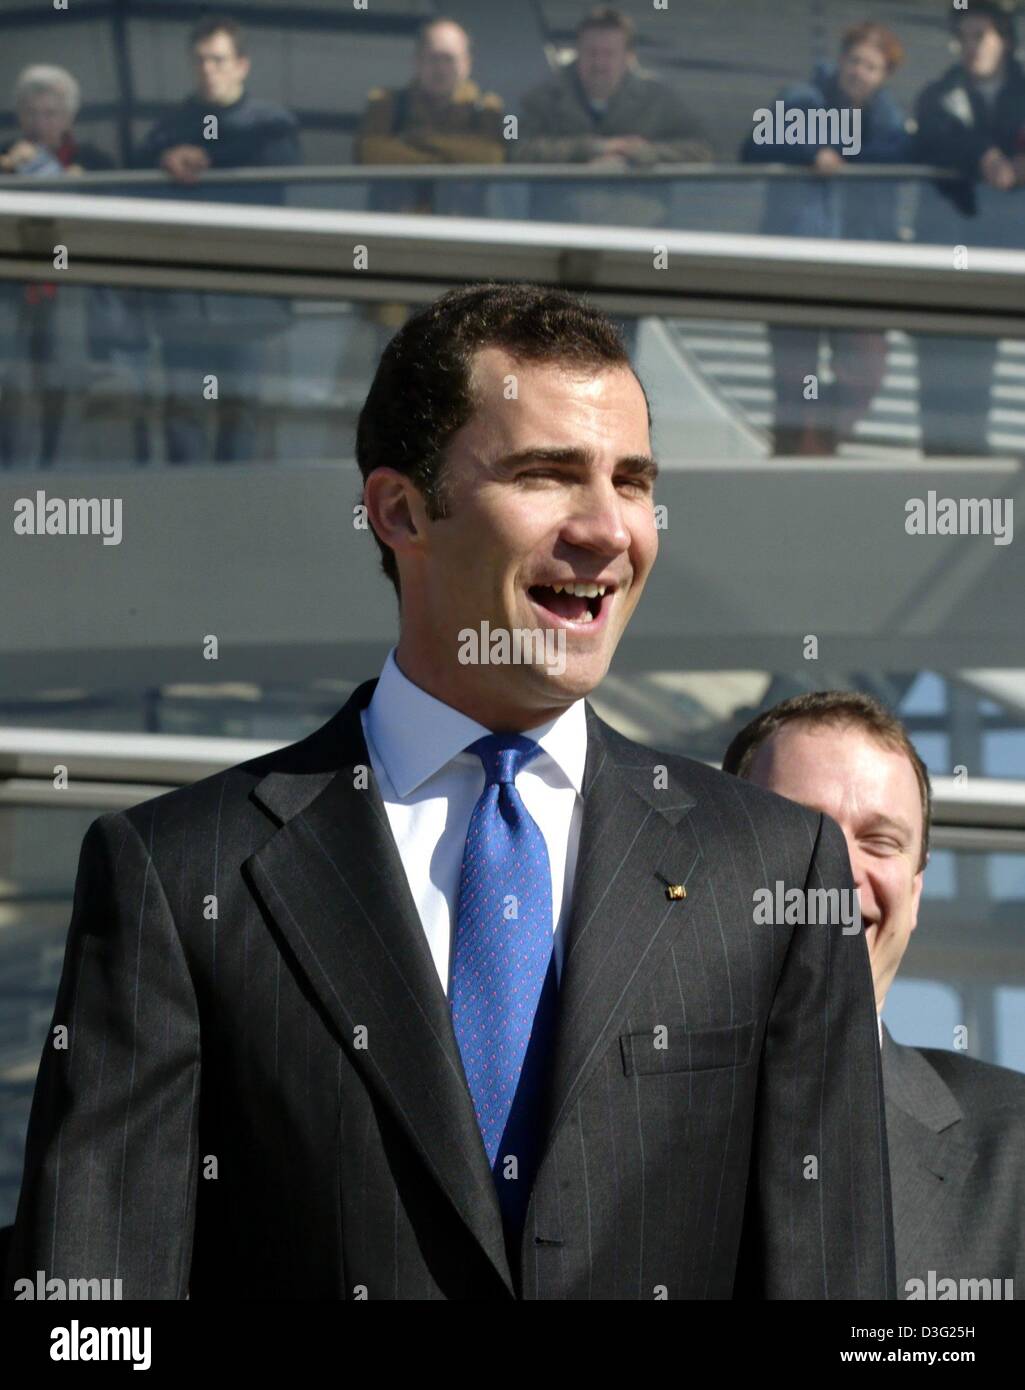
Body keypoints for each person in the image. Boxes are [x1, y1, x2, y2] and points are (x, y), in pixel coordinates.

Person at [6, 284, 894, 1300]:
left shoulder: (771, 869)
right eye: (547, 475)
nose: (609, 529)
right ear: (398, 509)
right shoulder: (177, 874)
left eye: (632, 481)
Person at [722, 690, 1025, 1298]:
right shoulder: (604, 1116)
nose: (838, 872)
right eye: (801, 828)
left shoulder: (1015, 1157)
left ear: (914, 895)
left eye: (881, 841)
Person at [135, 15, 301, 464]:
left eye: (219, 59)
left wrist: (202, 158)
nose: (209, 69)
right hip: (185, 297)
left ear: (242, 65)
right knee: (182, 409)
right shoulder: (170, 127)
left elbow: (276, 158)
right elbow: (135, 161)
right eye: (201, 60)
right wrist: (165, 156)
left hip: (244, 295)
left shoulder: (271, 122)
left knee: (241, 409)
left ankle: (235, 516)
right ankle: (184, 513)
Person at [740, 23, 912, 456]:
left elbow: (904, 155)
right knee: (793, 381)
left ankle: (818, 445)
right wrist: (809, 151)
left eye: (871, 66)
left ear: (884, 75)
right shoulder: (802, 99)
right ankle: (791, 465)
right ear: (840, 61)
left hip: (861, 270)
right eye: (854, 60)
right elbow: (753, 146)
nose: (859, 72)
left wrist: (843, 155)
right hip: (797, 264)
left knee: (866, 371)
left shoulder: (889, 123)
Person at [0, 65, 131, 468]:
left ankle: (56, 485)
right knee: (7, 384)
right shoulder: (3, 156)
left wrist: (44, 172)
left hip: (71, 290)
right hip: (10, 288)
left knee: (65, 386)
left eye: (51, 113)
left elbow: (103, 220)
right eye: (32, 113)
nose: (41, 123)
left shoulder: (97, 162)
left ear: (70, 117)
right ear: (20, 116)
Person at [912, 1, 1025, 456]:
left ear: (1005, 41)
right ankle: (944, 466)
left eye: (982, 36)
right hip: (951, 252)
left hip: (1009, 255)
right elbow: (932, 137)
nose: (972, 46)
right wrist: (984, 155)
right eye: (965, 37)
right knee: (944, 371)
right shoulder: (940, 93)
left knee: (986, 368)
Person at [513, 6, 712, 229]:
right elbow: (517, 151)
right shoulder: (544, 98)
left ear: (629, 58)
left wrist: (641, 153)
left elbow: (701, 150)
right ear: (577, 53)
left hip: (639, 236)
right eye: (591, 53)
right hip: (562, 233)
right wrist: (592, 148)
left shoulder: (659, 100)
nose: (599, 63)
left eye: (608, 54)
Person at [355, 16, 504, 216]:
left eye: (449, 59)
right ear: (417, 61)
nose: (440, 69)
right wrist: (445, 162)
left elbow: (492, 157)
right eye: (433, 58)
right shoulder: (386, 103)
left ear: (467, 63)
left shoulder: (486, 108)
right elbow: (369, 152)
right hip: (395, 227)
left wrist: (421, 140)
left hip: (464, 230)